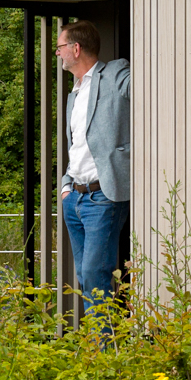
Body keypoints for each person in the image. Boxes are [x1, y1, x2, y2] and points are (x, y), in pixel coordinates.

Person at [56, 18, 130, 321]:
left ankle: (105, 355)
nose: (57, 53)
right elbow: (76, 147)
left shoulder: (113, 76)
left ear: (76, 47)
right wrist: (65, 187)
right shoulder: (74, 93)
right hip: (75, 198)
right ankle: (101, 348)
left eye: (59, 47)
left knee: (95, 276)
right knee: (87, 279)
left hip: (103, 196)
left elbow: (152, 82)